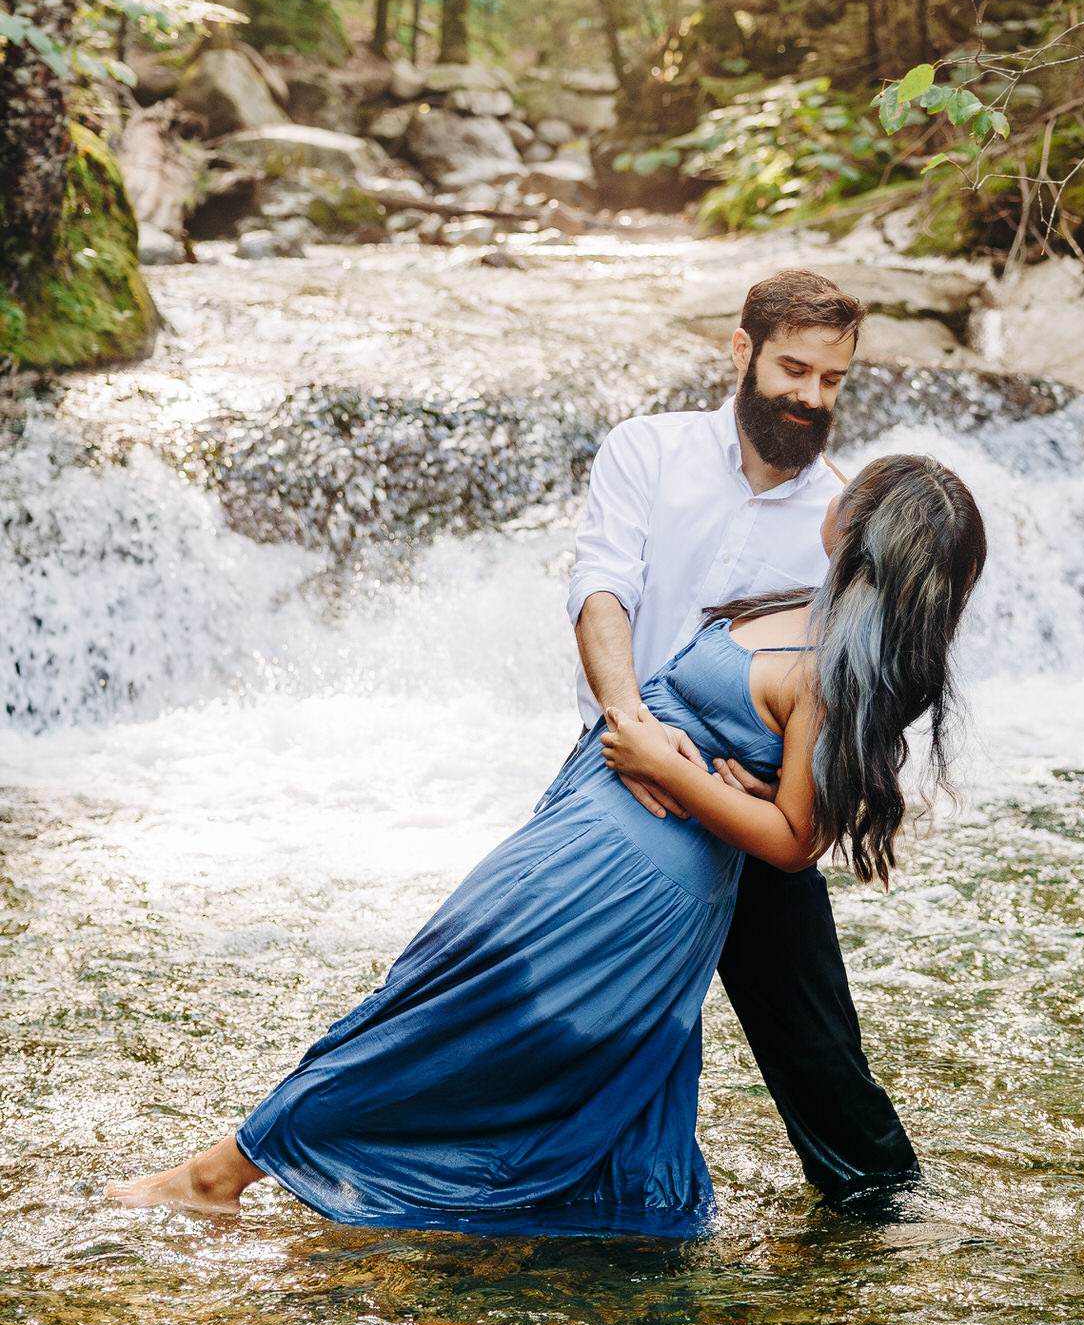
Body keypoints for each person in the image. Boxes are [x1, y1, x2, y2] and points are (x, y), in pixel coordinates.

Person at [104, 454, 987, 1233]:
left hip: (628, 883)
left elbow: (794, 842)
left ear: (857, 530)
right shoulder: (812, 612)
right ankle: (464, 1198)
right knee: (452, 1002)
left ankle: (216, 1175)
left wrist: (662, 761)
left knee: (437, 1011)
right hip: (592, 843)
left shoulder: (838, 671)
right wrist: (694, 761)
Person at [569, 269, 918, 1201]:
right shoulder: (646, 452)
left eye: (833, 381)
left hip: (756, 811)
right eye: (793, 369)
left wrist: (803, 784)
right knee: (596, 1032)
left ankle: (887, 1235)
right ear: (742, 351)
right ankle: (600, 1232)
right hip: (624, 786)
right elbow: (601, 589)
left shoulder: (847, 521)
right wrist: (632, 728)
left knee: (824, 1065)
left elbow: (876, 683)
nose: (810, 398)